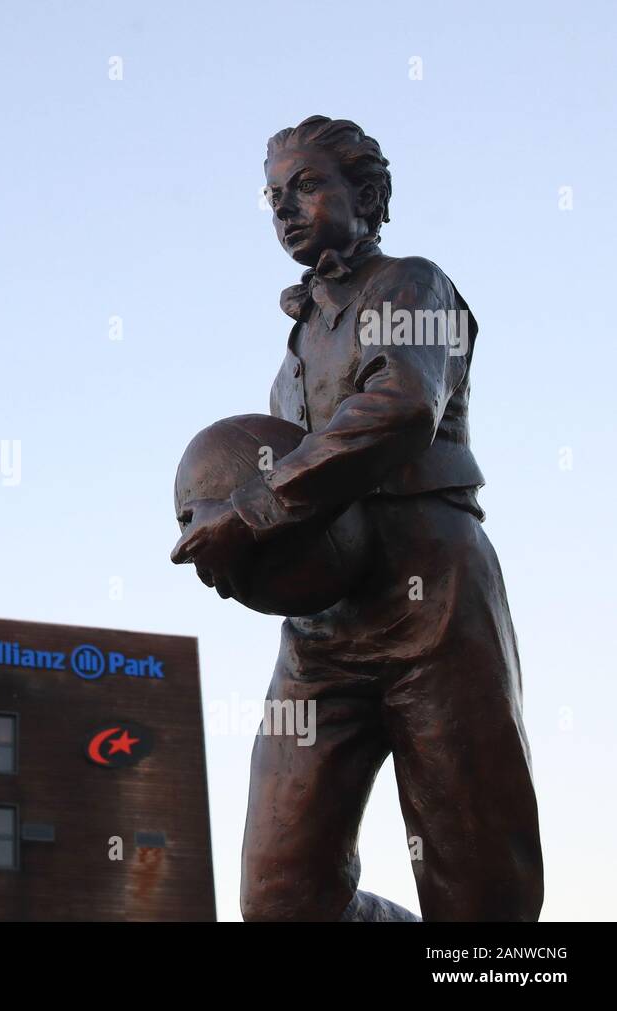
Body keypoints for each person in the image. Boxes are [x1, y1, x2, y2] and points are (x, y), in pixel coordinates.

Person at [171, 116, 544, 921]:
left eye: (305, 186)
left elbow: (403, 407)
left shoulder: (417, 285)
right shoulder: (291, 361)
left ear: (367, 195)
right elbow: (292, 499)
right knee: (277, 894)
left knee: (478, 882)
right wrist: (246, 563)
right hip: (324, 626)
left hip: (433, 600)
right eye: (273, 197)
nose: (283, 209)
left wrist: (256, 511)